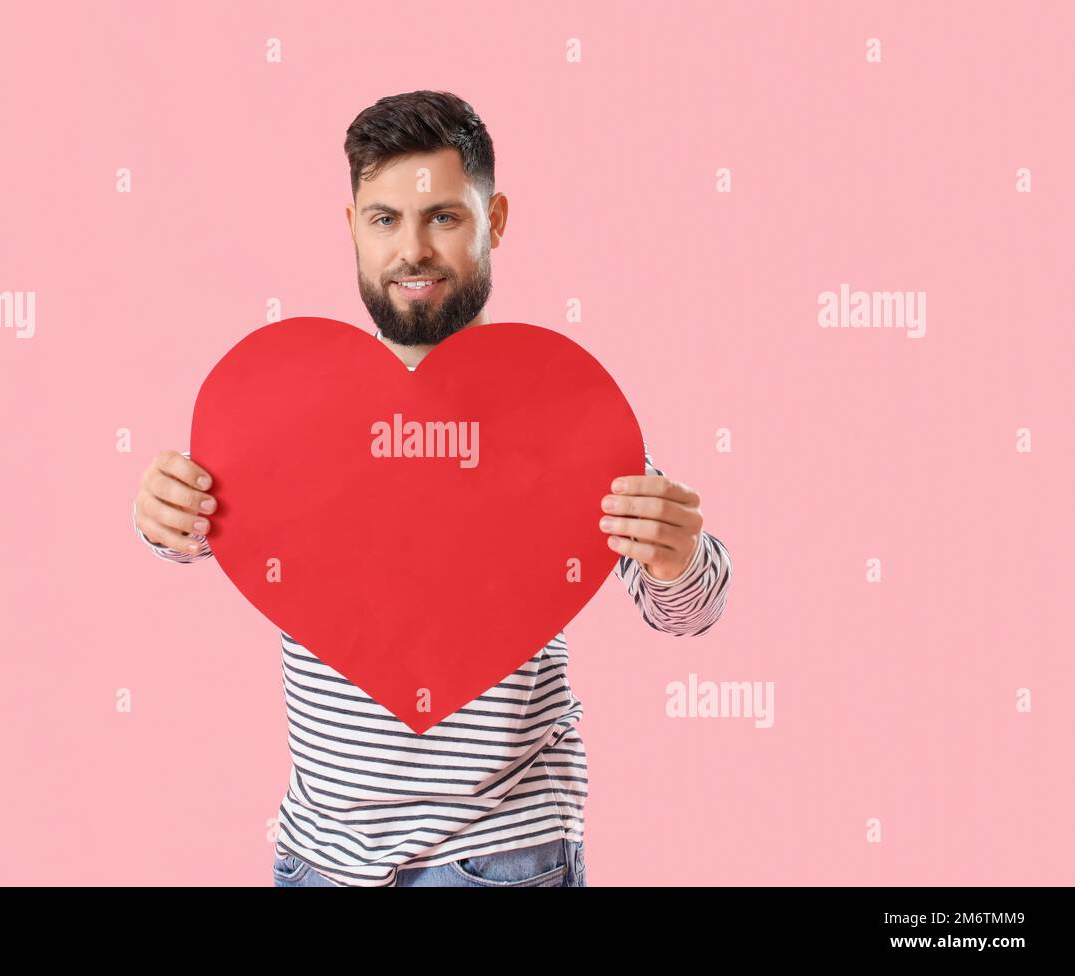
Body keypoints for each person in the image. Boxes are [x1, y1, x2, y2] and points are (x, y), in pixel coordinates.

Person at [132, 90, 733, 887]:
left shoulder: (563, 413)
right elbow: (206, 527)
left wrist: (678, 556)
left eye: (443, 217)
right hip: (317, 857)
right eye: (385, 219)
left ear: (496, 220)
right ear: (352, 228)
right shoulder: (289, 409)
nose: (411, 250)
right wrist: (162, 518)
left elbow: (688, 609)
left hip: (501, 854)